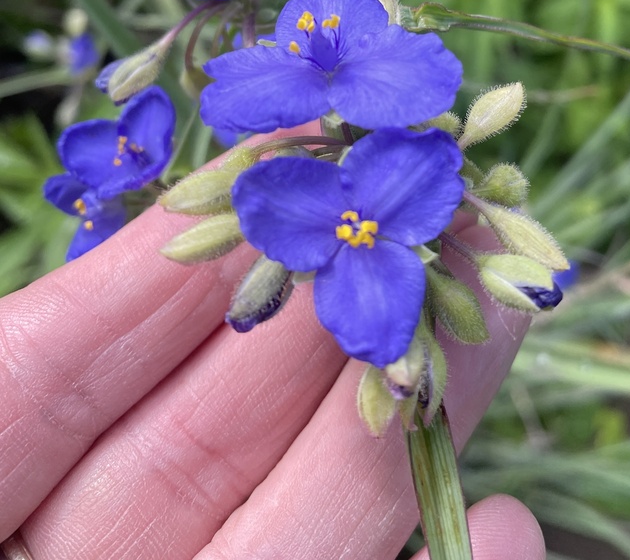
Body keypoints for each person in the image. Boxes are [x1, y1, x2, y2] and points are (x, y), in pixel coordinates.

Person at [0, 125, 545, 560]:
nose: (357, 229)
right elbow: (266, 195)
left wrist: (470, 177)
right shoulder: (299, 209)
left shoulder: (406, 179)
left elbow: (427, 160)